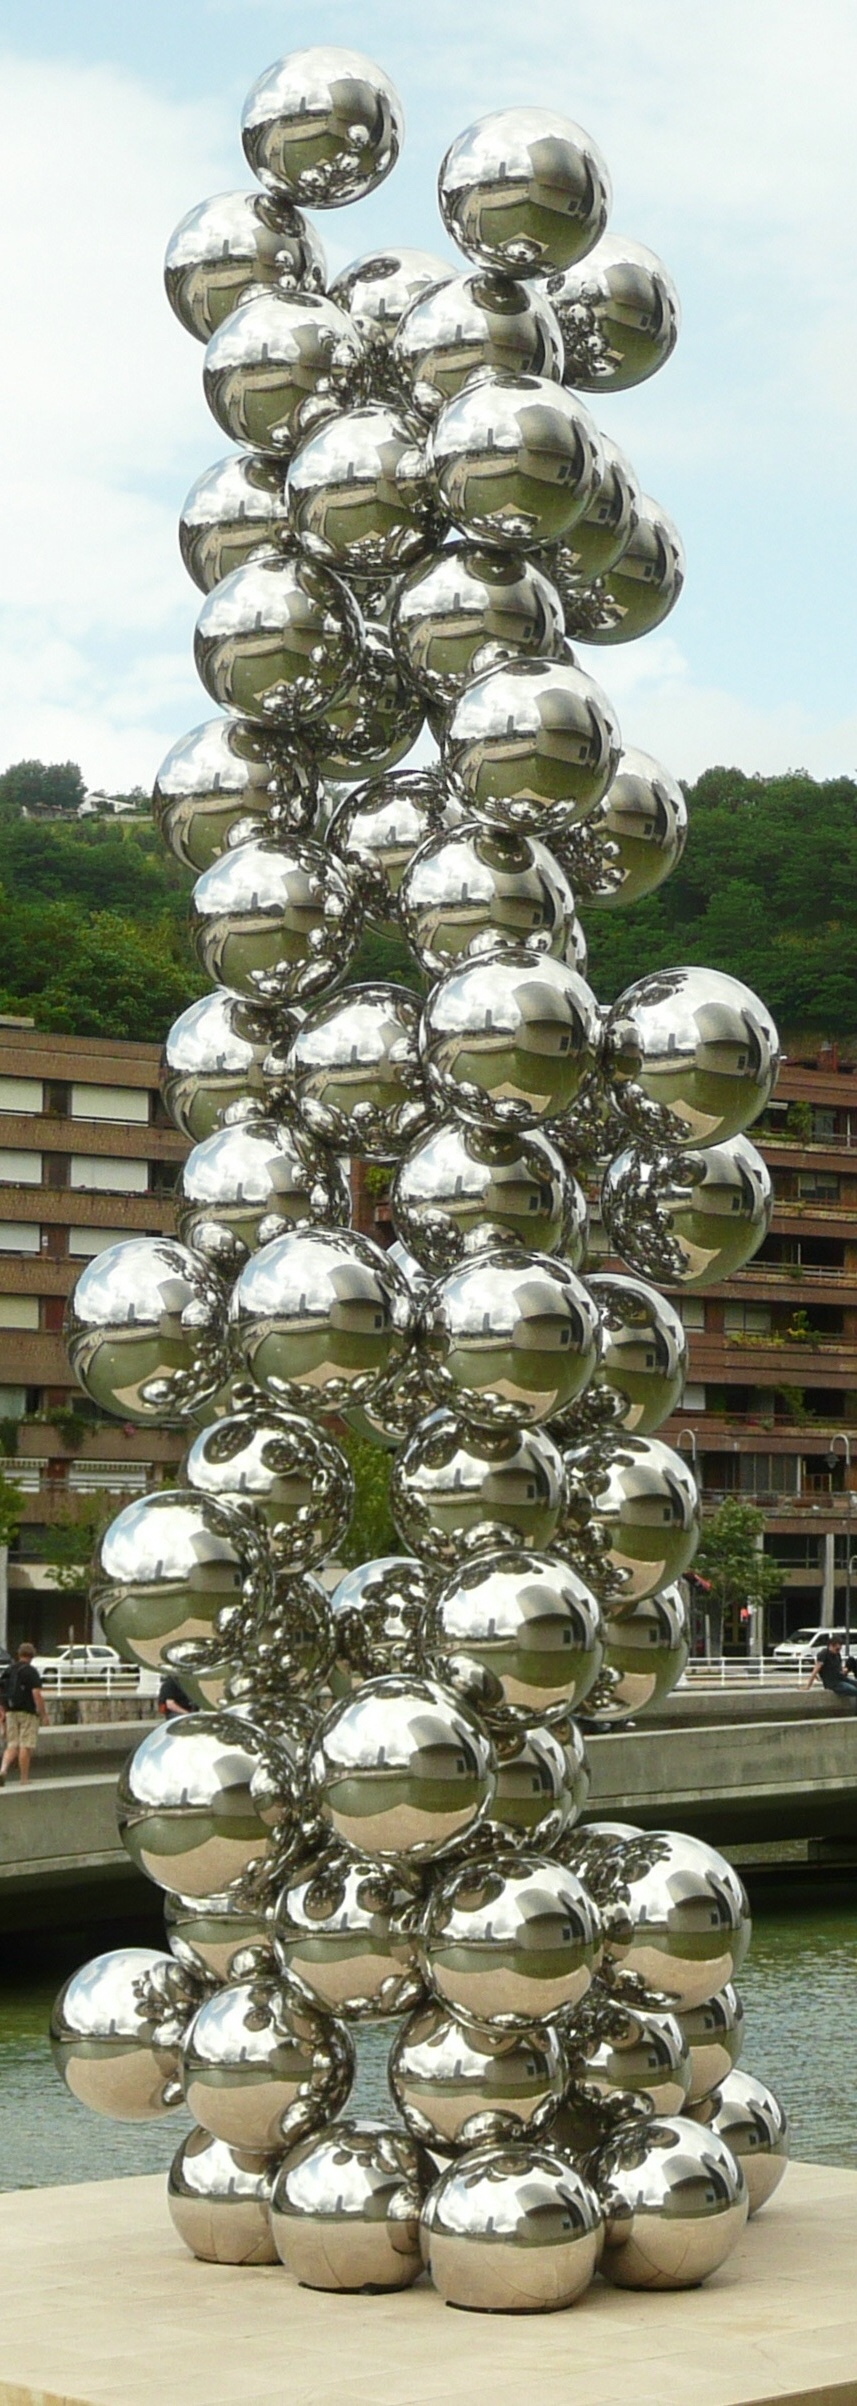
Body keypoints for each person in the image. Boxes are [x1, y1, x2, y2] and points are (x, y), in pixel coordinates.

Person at [0, 1642, 48, 1785]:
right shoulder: (31, 1672)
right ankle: (24, 1778)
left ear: (19, 1654)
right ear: (32, 1655)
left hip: (10, 1711)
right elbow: (36, 1694)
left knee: (12, 1745)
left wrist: (2, 1710)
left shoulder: (9, 1670)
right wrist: (43, 1714)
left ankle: (3, 1770)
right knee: (25, 1745)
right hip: (27, 1712)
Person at [806, 1635, 857, 1708]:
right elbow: (816, 1669)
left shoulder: (837, 1654)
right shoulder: (824, 1654)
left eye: (839, 1649)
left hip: (841, 1678)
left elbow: (838, 1669)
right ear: (831, 1646)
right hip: (833, 1683)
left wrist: (844, 1671)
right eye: (837, 1649)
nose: (838, 1651)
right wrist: (808, 1686)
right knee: (854, 1690)